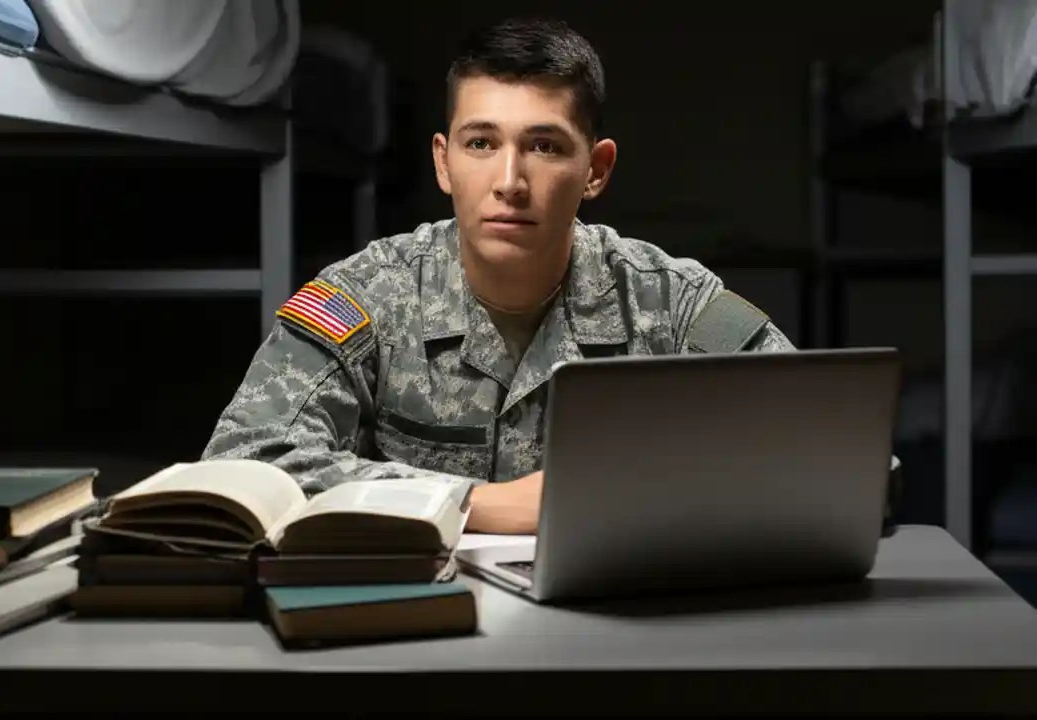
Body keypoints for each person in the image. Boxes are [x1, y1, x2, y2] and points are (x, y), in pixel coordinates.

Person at [201, 16, 796, 535]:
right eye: (481, 142)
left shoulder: (669, 302)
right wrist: (474, 503)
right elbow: (242, 460)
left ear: (596, 169)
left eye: (544, 147)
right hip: (424, 630)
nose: (510, 181)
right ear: (444, 161)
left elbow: (823, 450)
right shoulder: (368, 295)